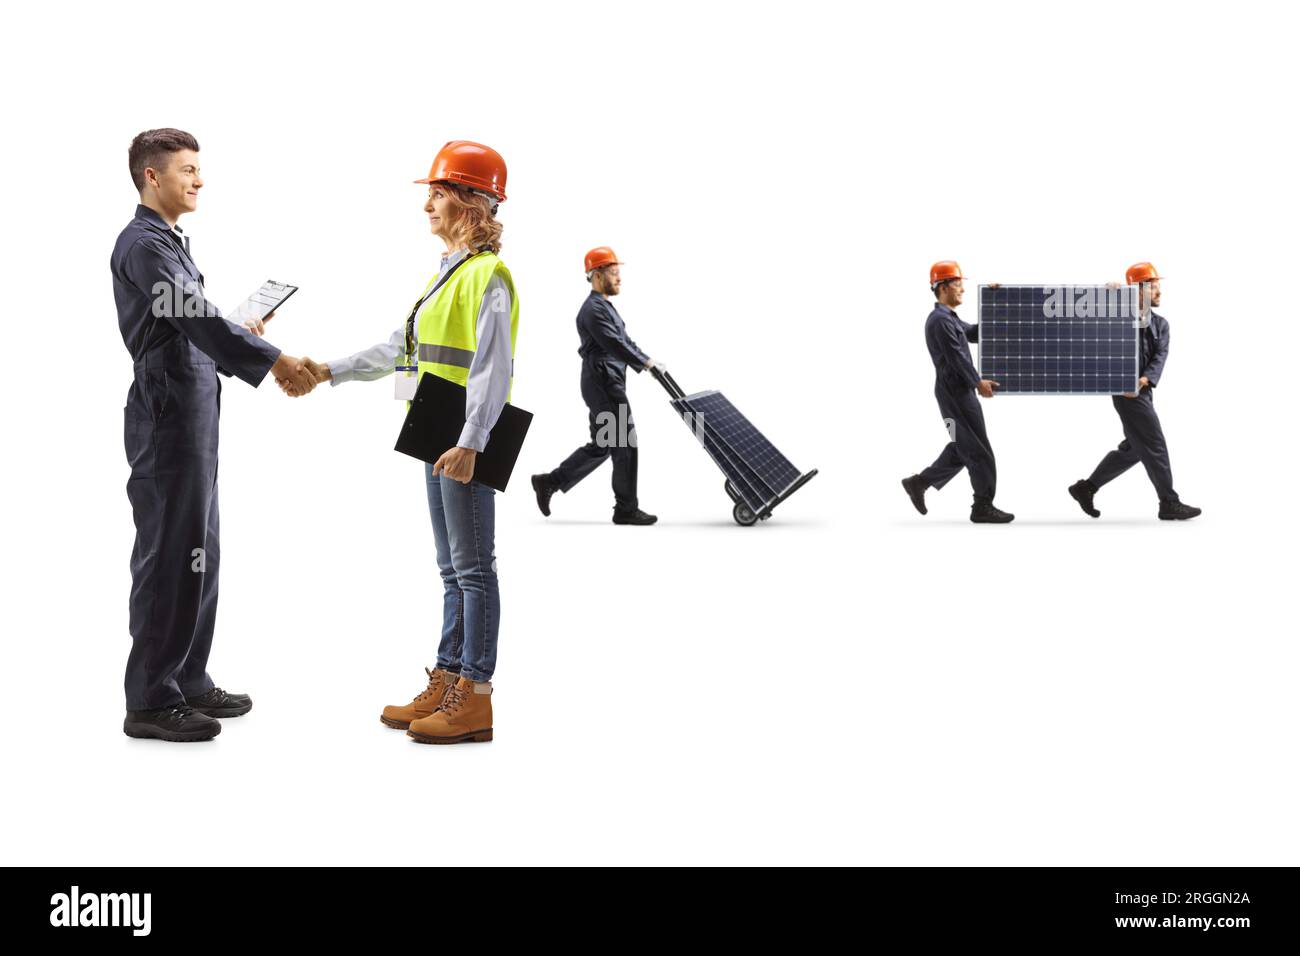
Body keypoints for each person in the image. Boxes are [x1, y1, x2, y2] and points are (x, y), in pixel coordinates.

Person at [298, 141, 517, 744]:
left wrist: (473, 441)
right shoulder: (447, 274)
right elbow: (403, 347)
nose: (428, 203)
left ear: (472, 203)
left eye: (439, 192)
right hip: (436, 431)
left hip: (464, 439)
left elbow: (493, 371)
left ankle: (474, 696)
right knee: (452, 568)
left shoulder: (488, 277)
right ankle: (448, 678)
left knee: (474, 570)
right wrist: (330, 369)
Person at [112, 128, 319, 742]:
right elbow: (189, 316)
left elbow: (190, 322)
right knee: (169, 553)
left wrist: (245, 329)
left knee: (201, 549)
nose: (199, 180)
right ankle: (150, 699)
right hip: (167, 412)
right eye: (188, 169)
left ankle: (187, 678)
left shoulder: (171, 243)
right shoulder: (142, 244)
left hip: (195, 409)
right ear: (154, 176)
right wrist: (271, 357)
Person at [530, 247, 658, 525]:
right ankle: (625, 508)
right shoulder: (592, 310)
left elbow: (625, 341)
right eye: (613, 273)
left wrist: (648, 360)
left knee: (605, 444)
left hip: (607, 380)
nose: (619, 278)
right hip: (602, 383)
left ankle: (549, 481)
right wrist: (645, 363)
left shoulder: (604, 306)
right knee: (624, 443)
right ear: (596, 275)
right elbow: (614, 343)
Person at [1068, 263, 1201, 520]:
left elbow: (1160, 357)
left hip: (1142, 390)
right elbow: (1093, 329)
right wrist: (1108, 297)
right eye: (1152, 286)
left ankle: (1086, 488)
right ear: (1137, 290)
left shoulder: (1162, 325)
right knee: (1154, 444)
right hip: (1126, 393)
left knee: (1136, 448)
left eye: (1158, 285)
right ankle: (1168, 502)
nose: (1159, 290)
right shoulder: (1118, 316)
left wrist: (1144, 380)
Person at [902, 261, 1014, 523]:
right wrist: (977, 382)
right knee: (978, 450)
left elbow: (974, 333)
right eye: (957, 283)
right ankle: (982, 506)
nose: (962, 288)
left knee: (963, 445)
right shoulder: (940, 321)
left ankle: (919, 482)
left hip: (957, 393)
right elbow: (956, 358)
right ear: (941, 287)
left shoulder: (949, 318)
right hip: (955, 395)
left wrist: (995, 302)